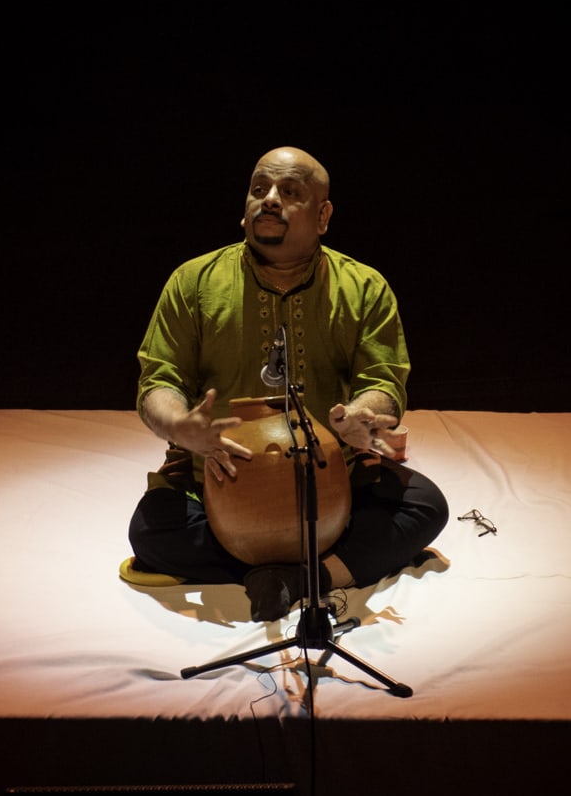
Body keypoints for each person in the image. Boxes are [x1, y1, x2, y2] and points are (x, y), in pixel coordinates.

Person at [126, 146, 449, 621]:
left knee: (425, 506)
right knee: (150, 532)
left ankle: (289, 579)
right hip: (220, 480)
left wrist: (363, 413)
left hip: (335, 479)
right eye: (259, 190)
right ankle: (319, 570)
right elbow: (159, 379)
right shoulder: (192, 282)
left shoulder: (363, 286)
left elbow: (383, 379)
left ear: (323, 216)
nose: (269, 200)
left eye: (289, 192)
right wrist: (180, 426)